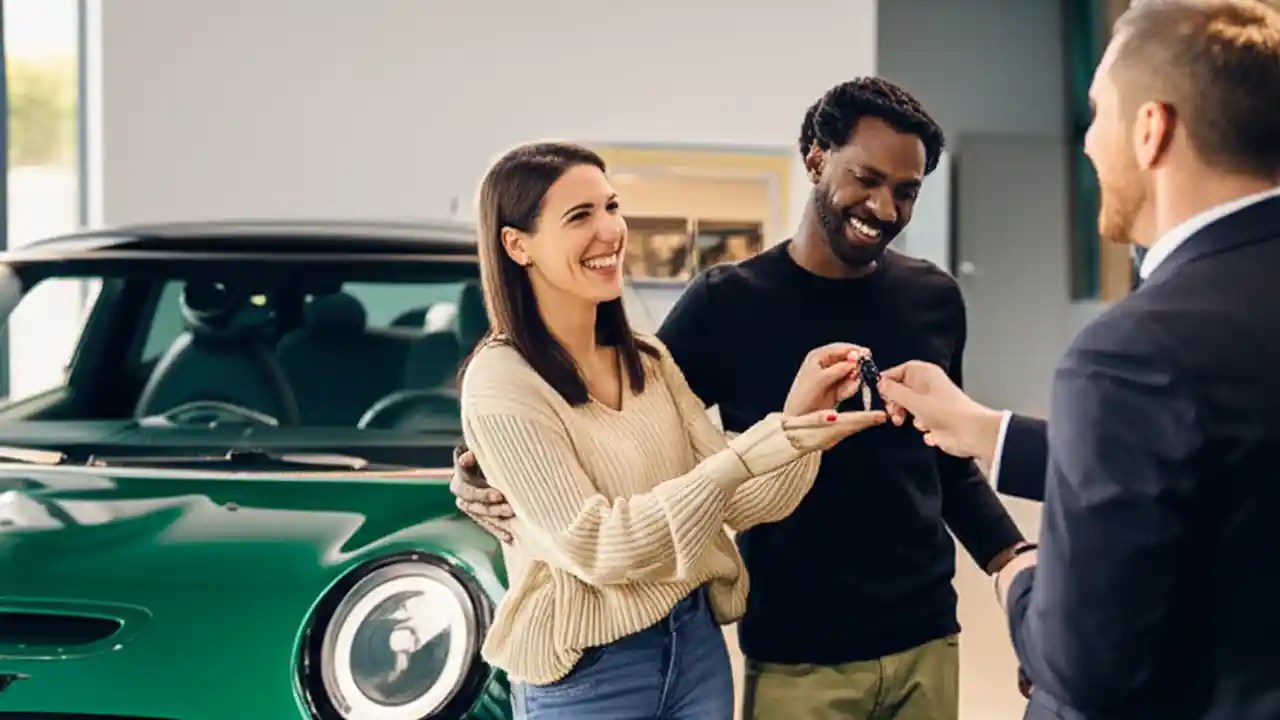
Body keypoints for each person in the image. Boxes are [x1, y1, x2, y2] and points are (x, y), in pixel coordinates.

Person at [454, 79, 1029, 719]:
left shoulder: (934, 299)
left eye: (906, 191)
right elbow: (635, 461)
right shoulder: (724, 304)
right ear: (816, 158)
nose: (884, 207)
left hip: (917, 630)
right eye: (867, 179)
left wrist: (1014, 563)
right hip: (793, 645)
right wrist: (485, 470)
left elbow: (946, 461)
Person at [876, 2, 1280, 717]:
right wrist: (987, 432)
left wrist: (1019, 575)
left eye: (1096, 116)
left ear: (1151, 129)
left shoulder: (1134, 350)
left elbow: (1082, 664)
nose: (1089, 144)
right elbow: (1219, 456)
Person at [458, 141, 887, 719]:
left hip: (693, 647)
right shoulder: (502, 380)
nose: (610, 231)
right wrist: (750, 451)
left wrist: (800, 423)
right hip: (588, 676)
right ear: (517, 245)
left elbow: (744, 501)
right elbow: (600, 546)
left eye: (612, 207)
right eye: (580, 216)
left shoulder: (648, 360)